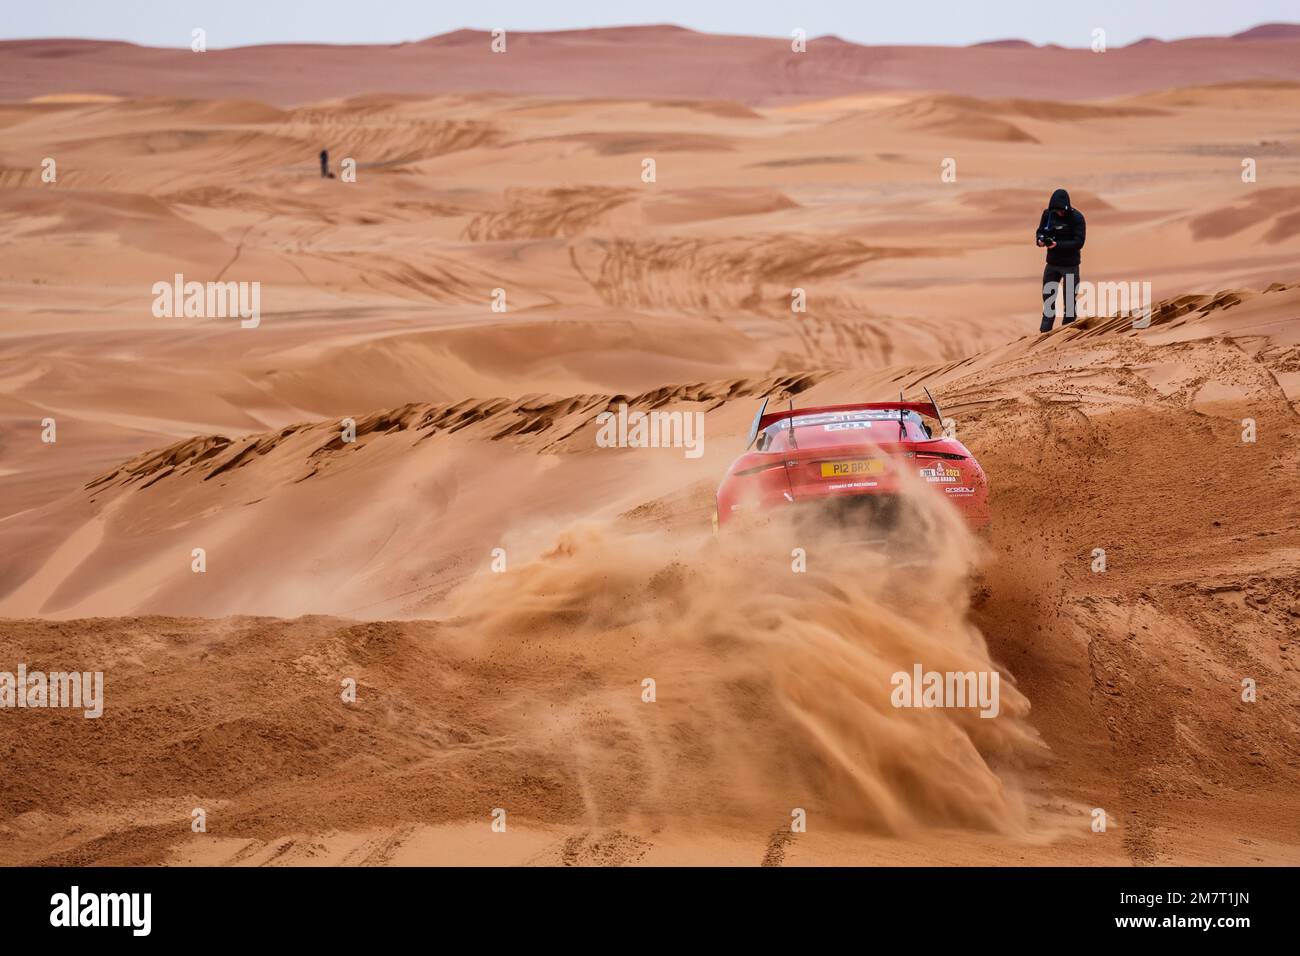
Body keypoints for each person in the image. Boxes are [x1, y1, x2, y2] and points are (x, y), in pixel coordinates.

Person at [1035, 188, 1085, 332]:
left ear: (1067, 207)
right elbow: (1040, 231)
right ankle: (1044, 334)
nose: (1059, 213)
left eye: (1061, 211)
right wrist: (1040, 240)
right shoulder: (1048, 214)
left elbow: (1079, 242)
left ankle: (1066, 334)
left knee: (1069, 302)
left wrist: (1058, 245)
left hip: (1070, 265)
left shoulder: (1077, 218)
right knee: (1048, 299)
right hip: (1052, 264)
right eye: (1056, 211)